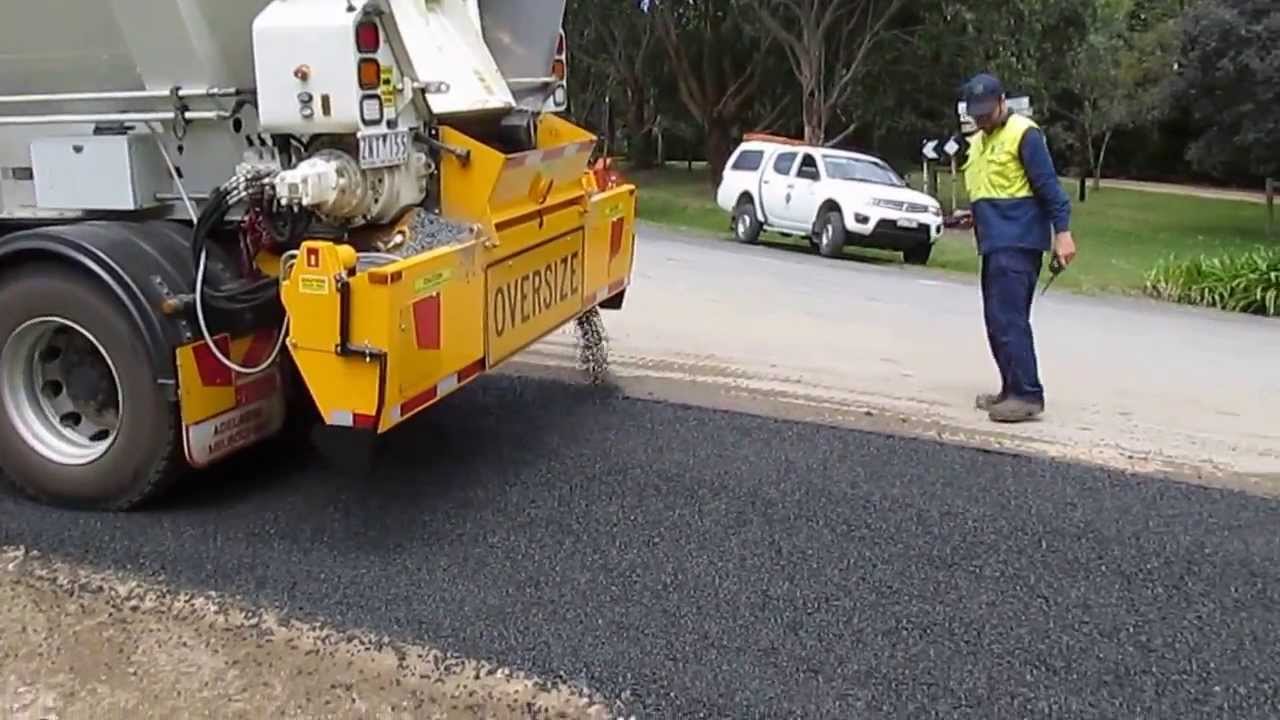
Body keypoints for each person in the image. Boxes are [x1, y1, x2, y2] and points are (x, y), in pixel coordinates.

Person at [957, 72, 1076, 423]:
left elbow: (1049, 188)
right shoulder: (978, 141)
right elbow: (992, 187)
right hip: (994, 240)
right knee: (996, 320)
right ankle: (1009, 388)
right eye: (976, 113)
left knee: (1010, 319)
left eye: (987, 111)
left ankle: (1027, 394)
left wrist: (1063, 233)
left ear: (1002, 101)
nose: (981, 119)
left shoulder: (1025, 134)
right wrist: (974, 215)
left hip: (1018, 240)